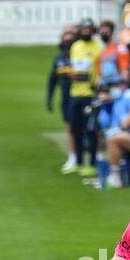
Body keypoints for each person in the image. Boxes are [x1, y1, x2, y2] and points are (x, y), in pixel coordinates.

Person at [63, 18, 103, 176]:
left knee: (91, 130)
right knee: (76, 129)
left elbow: (100, 69)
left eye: (88, 29)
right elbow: (73, 67)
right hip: (76, 93)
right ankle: (78, 162)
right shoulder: (75, 46)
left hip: (91, 93)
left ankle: (92, 163)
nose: (86, 32)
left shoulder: (98, 46)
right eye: (83, 29)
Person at [47, 27, 78, 168]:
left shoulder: (79, 55)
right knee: (70, 127)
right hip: (66, 97)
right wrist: (49, 98)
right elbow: (52, 80)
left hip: (81, 95)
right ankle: (73, 156)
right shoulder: (59, 58)